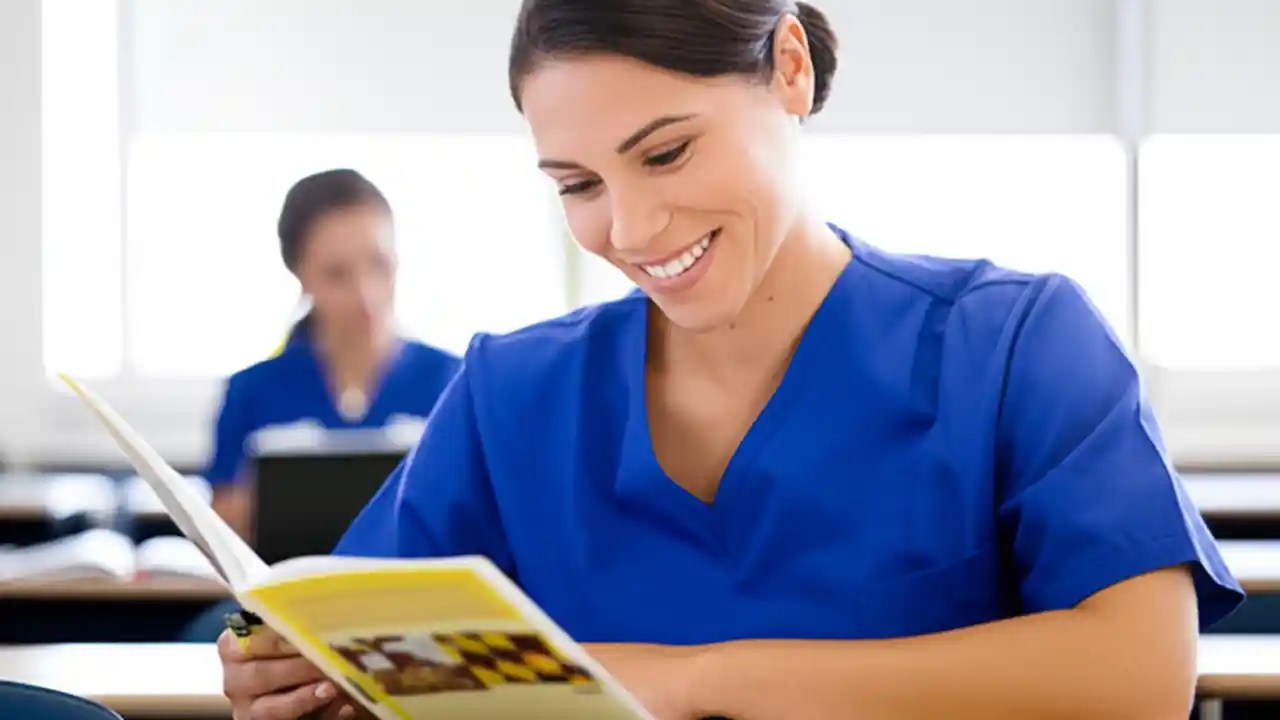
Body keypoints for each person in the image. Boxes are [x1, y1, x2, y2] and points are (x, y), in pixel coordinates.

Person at [218, 2, 1243, 718]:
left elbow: (1138, 677)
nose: (629, 226)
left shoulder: (1014, 346)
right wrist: (280, 676)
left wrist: (692, 678)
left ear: (788, 69)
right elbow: (352, 632)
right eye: (576, 184)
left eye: (665, 153)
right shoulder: (510, 398)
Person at [206, 168, 461, 537]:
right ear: (300, 276)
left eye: (379, 265)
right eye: (337, 274)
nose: (366, 295)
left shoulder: (452, 382)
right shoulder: (252, 392)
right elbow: (227, 531)